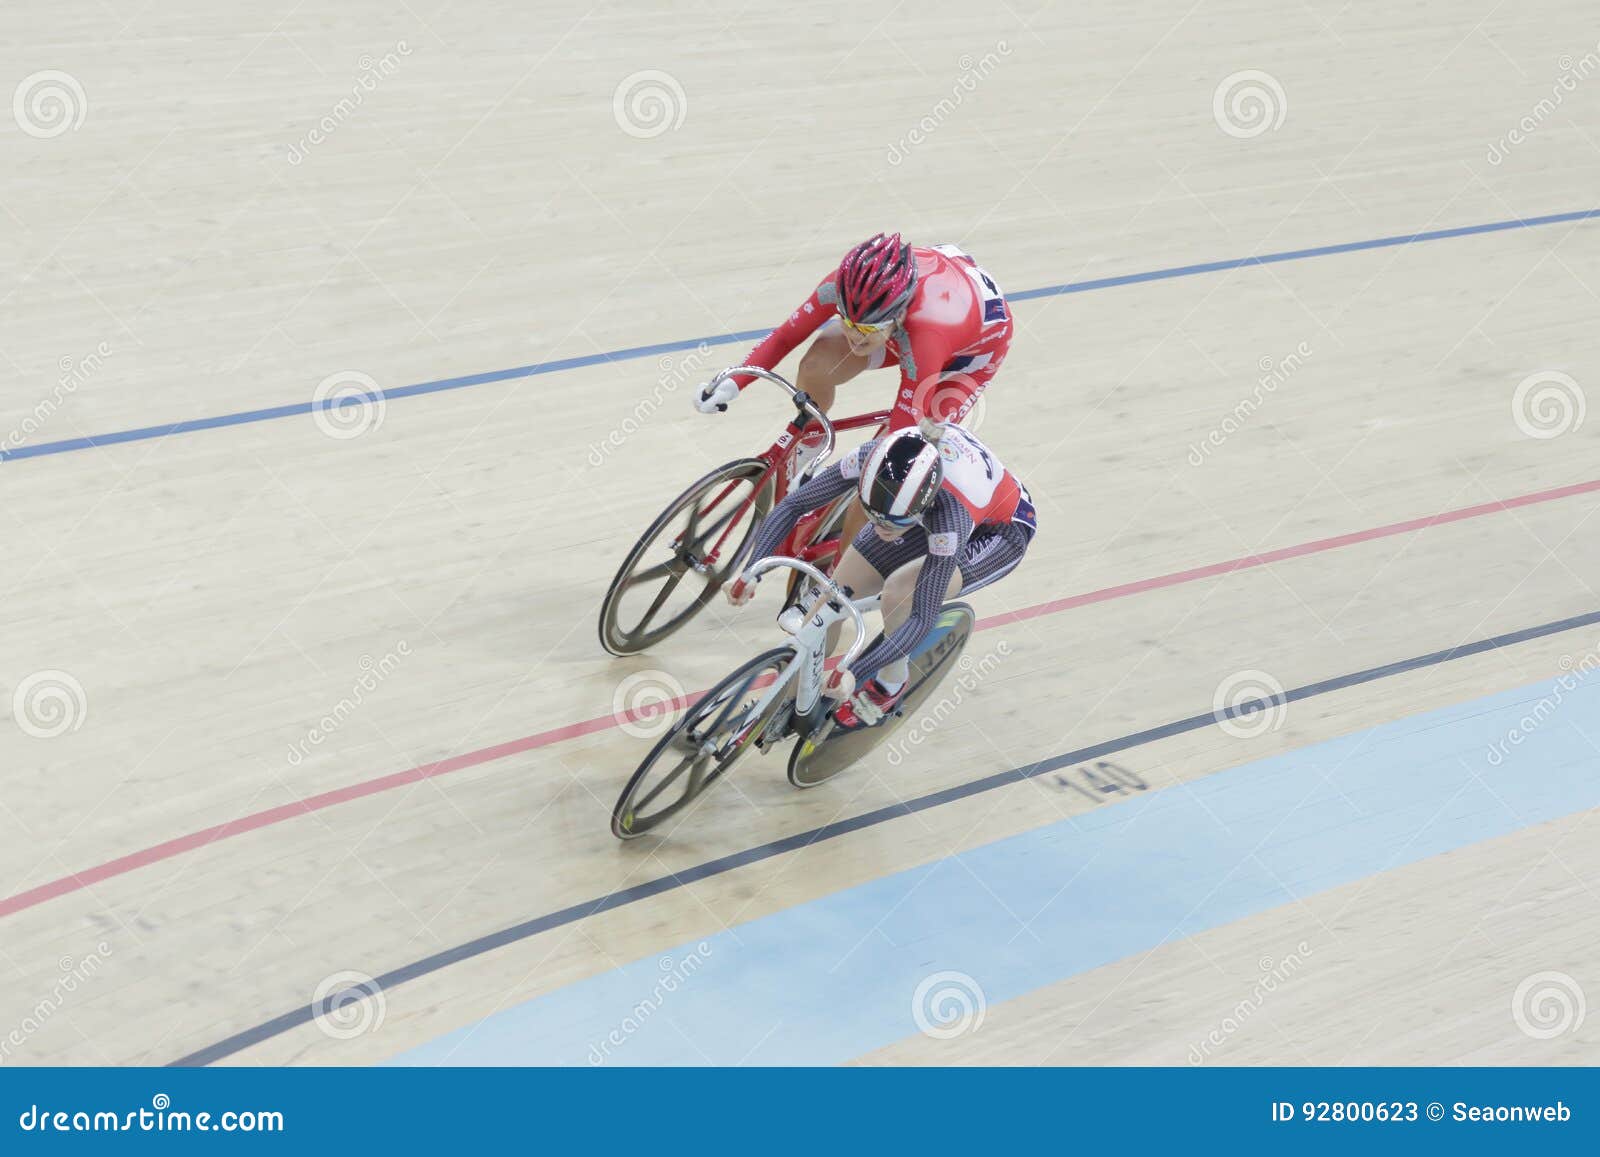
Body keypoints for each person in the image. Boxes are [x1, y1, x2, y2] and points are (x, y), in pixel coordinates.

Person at [694, 233, 1013, 543]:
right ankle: (813, 441)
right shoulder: (843, 289)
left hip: (969, 355)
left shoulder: (929, 335)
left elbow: (898, 444)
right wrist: (735, 381)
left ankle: (832, 583)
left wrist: (880, 473)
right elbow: (785, 337)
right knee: (815, 367)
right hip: (908, 319)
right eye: (847, 321)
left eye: (866, 329)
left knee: (885, 475)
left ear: (899, 314)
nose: (855, 335)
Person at [725, 420, 1036, 729]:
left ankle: (890, 685)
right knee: (831, 598)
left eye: (890, 522)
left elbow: (921, 618)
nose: (879, 527)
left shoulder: (950, 517)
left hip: (998, 532)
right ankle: (779, 703)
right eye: (872, 515)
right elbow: (794, 505)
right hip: (920, 504)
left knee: (902, 594)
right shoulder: (871, 457)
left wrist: (856, 671)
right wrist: (751, 570)